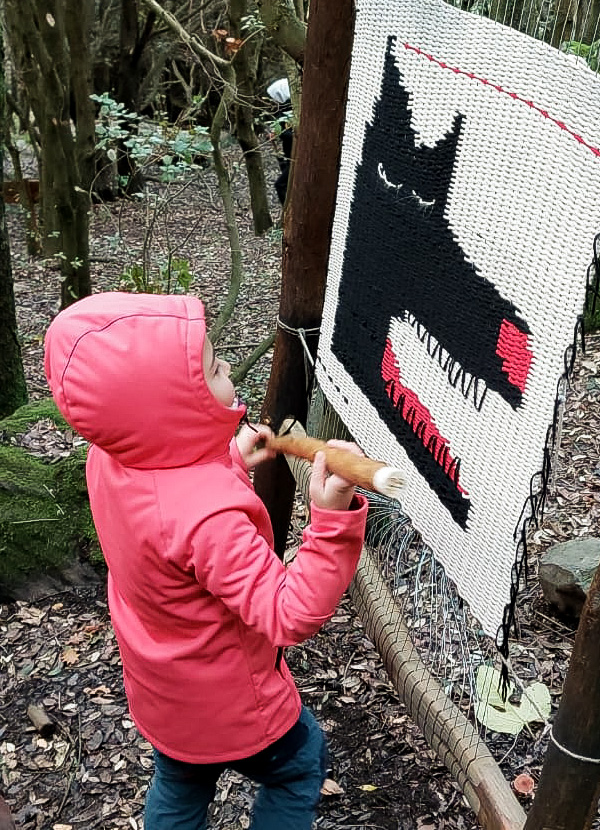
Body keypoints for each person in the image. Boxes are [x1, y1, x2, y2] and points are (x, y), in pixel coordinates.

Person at [43, 291, 368, 830]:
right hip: (233, 703)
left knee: (181, 780)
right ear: (174, 405)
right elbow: (289, 612)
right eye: (216, 370)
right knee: (298, 766)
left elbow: (168, 508)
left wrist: (230, 458)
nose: (229, 379)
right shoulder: (208, 518)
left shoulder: (108, 460)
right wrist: (330, 519)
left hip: (163, 692)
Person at [266, 78, 294, 205]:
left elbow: (294, 136)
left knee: (281, 185)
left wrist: (278, 133)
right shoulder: (283, 111)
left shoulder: (291, 111)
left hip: (297, 158)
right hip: (290, 156)